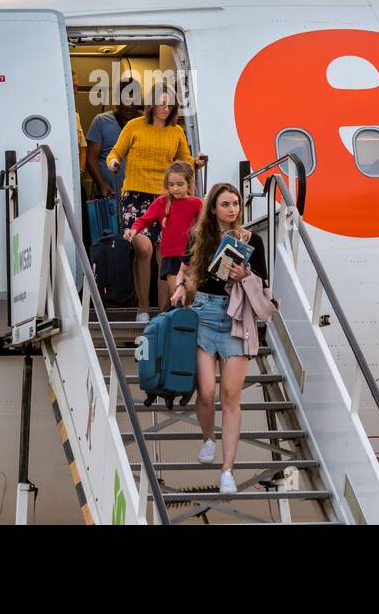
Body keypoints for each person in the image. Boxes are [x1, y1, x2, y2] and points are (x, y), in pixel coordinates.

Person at [171, 182, 269, 494]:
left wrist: (247, 276)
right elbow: (184, 271)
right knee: (206, 390)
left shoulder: (252, 240)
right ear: (213, 207)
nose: (232, 210)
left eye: (236, 204)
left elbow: (265, 283)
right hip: (202, 313)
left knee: (230, 395)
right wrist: (178, 287)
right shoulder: (199, 236)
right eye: (225, 204)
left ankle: (227, 471)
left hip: (235, 317)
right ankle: (208, 438)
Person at [105, 82, 207, 321]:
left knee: (165, 253)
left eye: (170, 104)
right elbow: (116, 152)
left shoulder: (176, 132)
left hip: (165, 197)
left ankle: (162, 312)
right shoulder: (134, 126)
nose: (165, 107)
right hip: (135, 195)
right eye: (161, 103)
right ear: (151, 104)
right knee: (144, 248)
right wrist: (112, 163)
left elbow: (185, 162)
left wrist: (197, 162)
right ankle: (142, 307)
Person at [122, 161, 202, 314]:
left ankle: (191, 327)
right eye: (171, 185)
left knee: (191, 294)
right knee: (177, 296)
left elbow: (207, 225)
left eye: (180, 184)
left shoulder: (197, 203)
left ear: (189, 183)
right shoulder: (162, 202)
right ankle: (178, 326)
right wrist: (134, 230)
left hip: (191, 257)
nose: (175, 189)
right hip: (171, 258)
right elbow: (144, 219)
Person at [85, 75, 142, 200]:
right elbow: (91, 158)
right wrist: (102, 185)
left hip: (139, 196)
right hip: (109, 195)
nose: (129, 106)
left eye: (133, 101)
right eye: (125, 101)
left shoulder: (147, 122)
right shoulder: (101, 121)